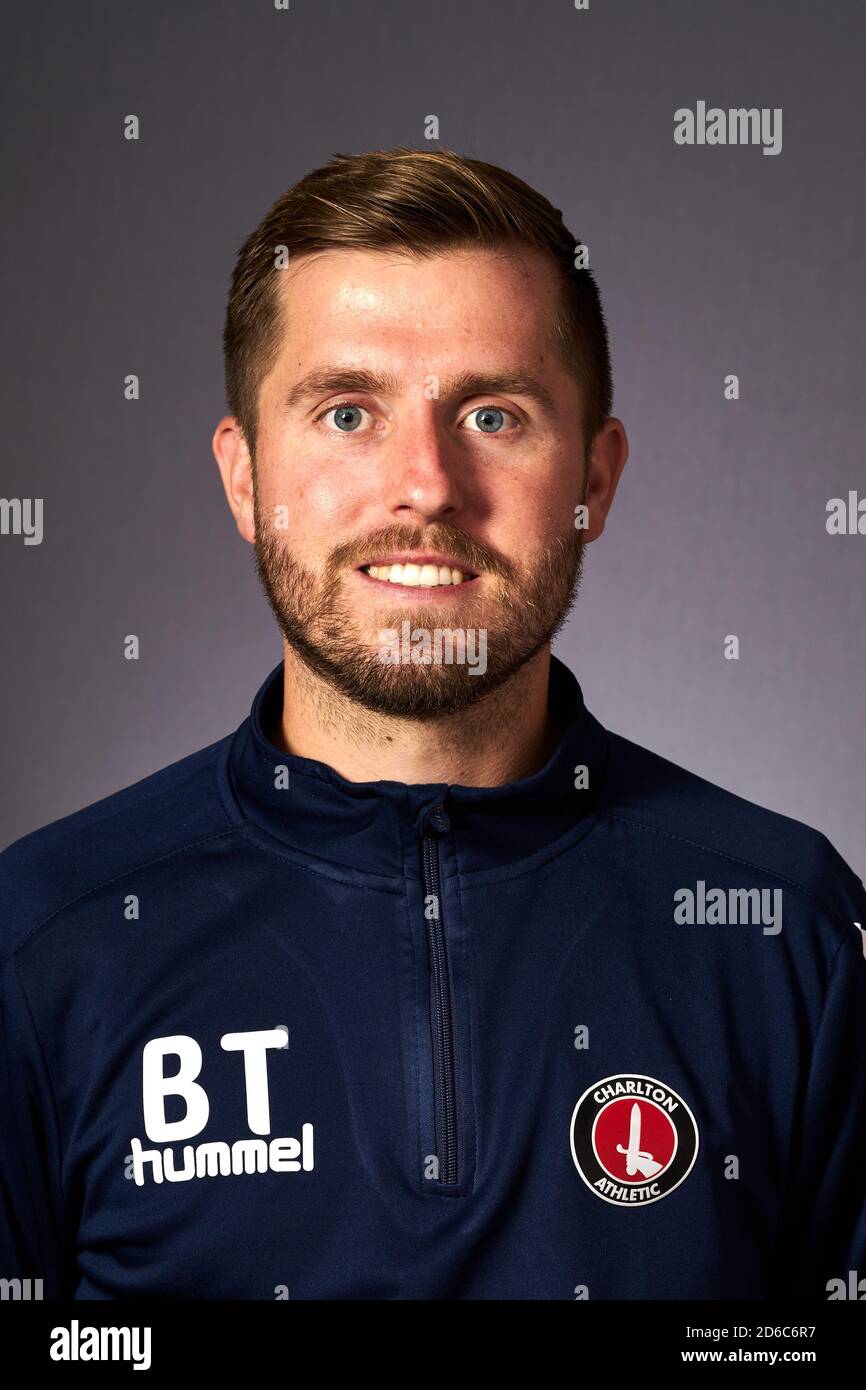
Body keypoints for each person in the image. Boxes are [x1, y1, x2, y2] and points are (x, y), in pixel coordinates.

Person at [1, 147, 864, 1301]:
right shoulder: (43, 941)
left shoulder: (790, 930)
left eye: (492, 414)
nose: (424, 485)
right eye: (346, 412)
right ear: (245, 479)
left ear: (593, 480)